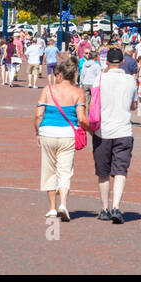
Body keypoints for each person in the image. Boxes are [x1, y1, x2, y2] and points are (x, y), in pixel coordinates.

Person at [36, 54, 88, 222]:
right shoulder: (78, 92)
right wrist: (91, 130)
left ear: (60, 74)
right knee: (65, 171)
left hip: (48, 132)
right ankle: (63, 204)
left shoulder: (48, 90)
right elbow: (81, 118)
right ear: (73, 74)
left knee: (49, 170)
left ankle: (52, 208)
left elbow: (39, 114)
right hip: (68, 134)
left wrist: (38, 131)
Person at [92, 47, 138, 223]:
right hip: (124, 129)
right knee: (120, 170)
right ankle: (116, 207)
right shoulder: (130, 81)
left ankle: (104, 208)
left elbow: (94, 103)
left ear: (106, 62)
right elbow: (133, 106)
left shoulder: (100, 78)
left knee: (103, 171)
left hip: (103, 130)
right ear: (123, 62)